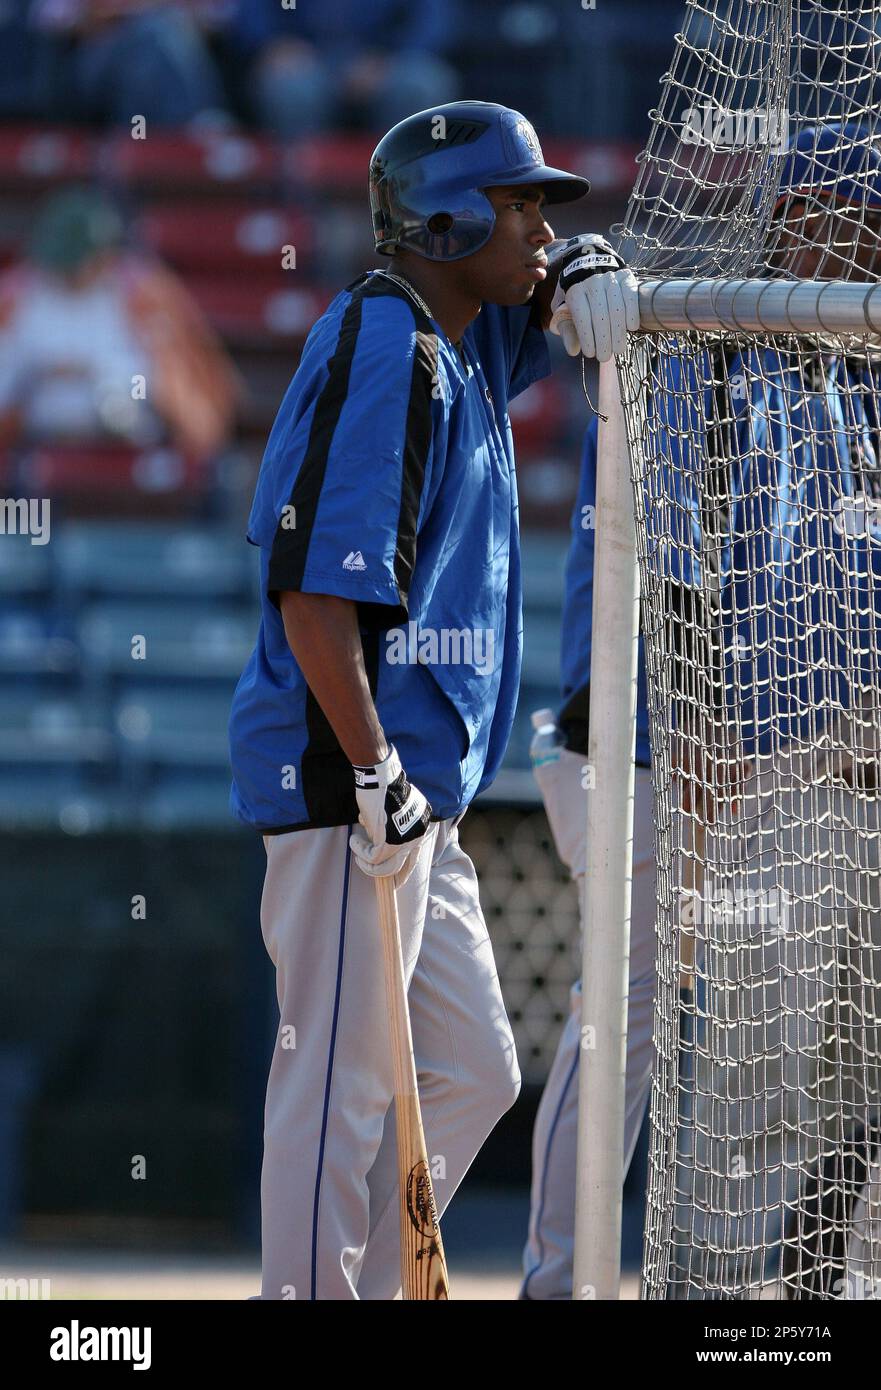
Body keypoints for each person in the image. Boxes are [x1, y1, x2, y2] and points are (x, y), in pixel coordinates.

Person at [227, 98, 639, 1300]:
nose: (534, 227)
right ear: (450, 217)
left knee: (471, 1067)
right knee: (337, 1091)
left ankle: (340, 1271)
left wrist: (589, 266)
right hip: (348, 780)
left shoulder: (460, 336)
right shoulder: (387, 342)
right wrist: (369, 773)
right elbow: (313, 596)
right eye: (518, 206)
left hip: (418, 795)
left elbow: (553, 312)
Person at [519, 417, 657, 1300]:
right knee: (615, 1012)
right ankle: (558, 1285)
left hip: (743, 748)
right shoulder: (661, 359)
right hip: (621, 747)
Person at [0, 185, 239, 457]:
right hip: (37, 434)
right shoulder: (17, 294)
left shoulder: (143, 293)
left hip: (127, 430)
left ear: (103, 256)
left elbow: (183, 391)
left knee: (120, 398)